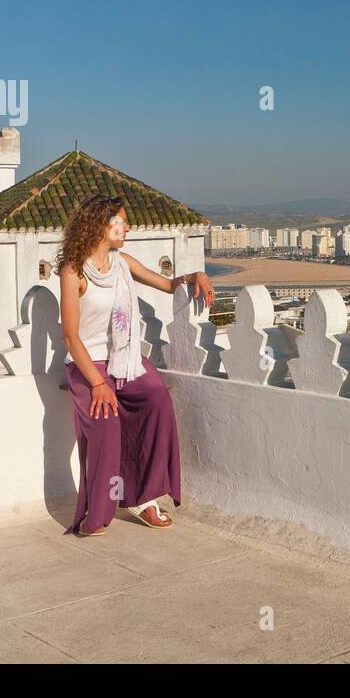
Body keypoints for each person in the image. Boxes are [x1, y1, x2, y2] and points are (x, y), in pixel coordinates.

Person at [57, 194, 215, 536]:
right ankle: (96, 512)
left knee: (157, 398)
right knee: (106, 422)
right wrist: (97, 384)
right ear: (101, 224)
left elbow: (169, 284)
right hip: (87, 363)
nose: (127, 226)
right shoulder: (73, 270)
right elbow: (70, 335)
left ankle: (143, 497)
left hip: (123, 358)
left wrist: (195, 275)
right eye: (121, 221)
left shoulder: (122, 263)